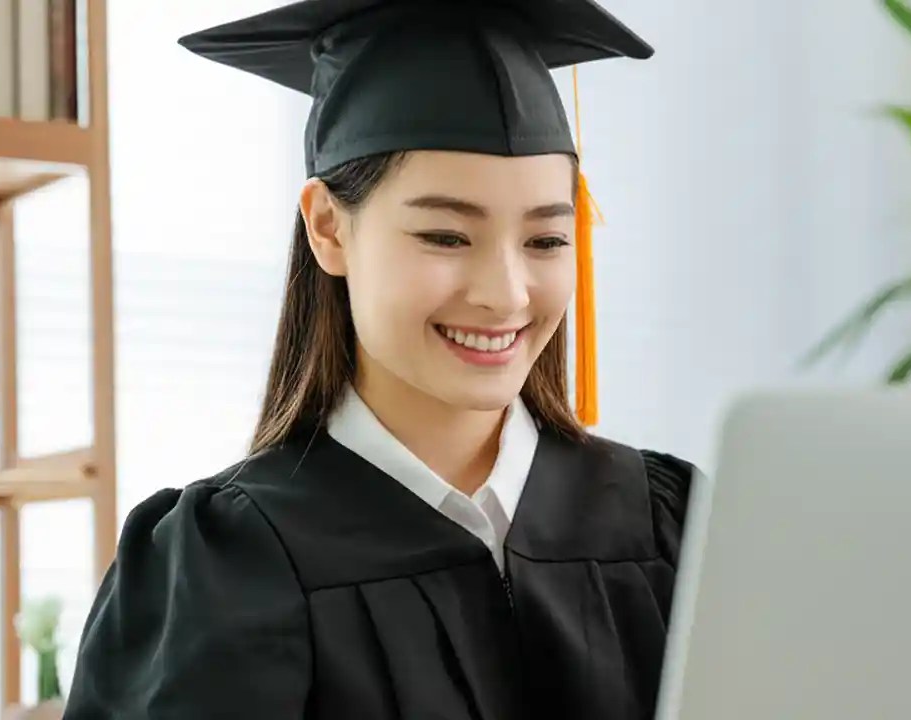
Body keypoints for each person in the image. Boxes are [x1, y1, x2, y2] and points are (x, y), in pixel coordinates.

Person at [62, 1, 698, 718]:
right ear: (328, 227)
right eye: (447, 237)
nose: (505, 294)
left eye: (546, 241)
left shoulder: (668, 523)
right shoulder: (223, 562)